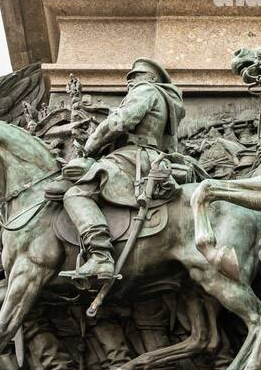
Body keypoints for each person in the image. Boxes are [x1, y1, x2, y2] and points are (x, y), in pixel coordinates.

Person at [60, 58, 185, 279]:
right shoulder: (166, 102)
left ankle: (100, 256)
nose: (130, 82)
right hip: (149, 157)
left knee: (76, 194)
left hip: (133, 158)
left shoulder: (146, 90)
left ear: (151, 78)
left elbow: (122, 121)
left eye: (135, 76)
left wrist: (92, 144)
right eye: (130, 78)